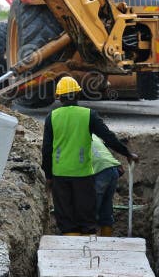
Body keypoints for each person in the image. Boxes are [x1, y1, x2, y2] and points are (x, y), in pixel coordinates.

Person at [42, 76, 139, 235]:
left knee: (66, 219)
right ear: (78, 95)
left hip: (60, 175)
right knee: (87, 219)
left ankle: (72, 248)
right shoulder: (89, 115)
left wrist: (49, 175)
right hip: (83, 176)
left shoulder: (51, 117)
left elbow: (46, 150)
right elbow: (109, 138)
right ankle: (88, 253)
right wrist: (127, 153)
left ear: (59, 97)